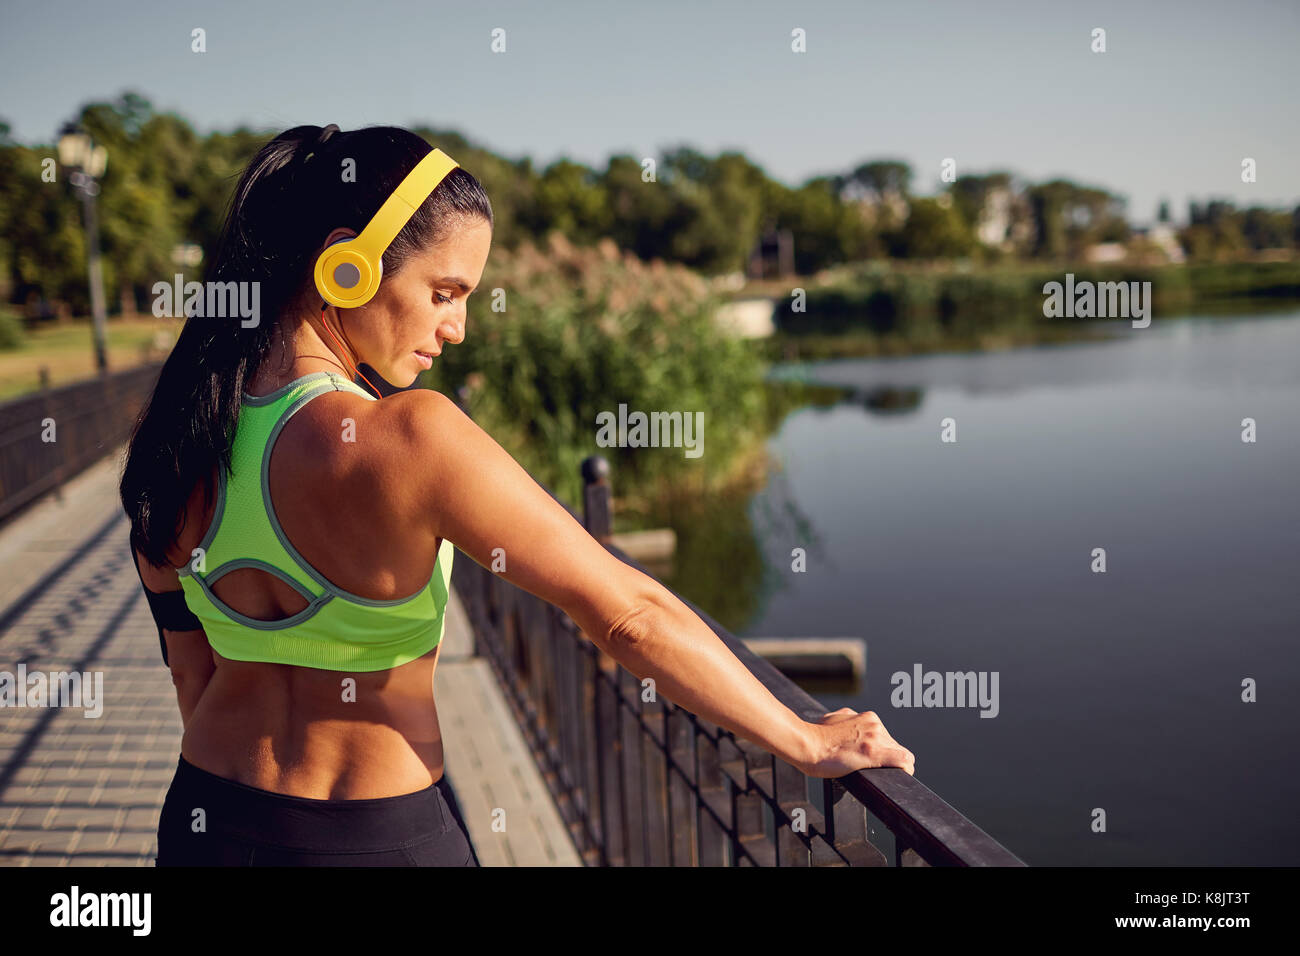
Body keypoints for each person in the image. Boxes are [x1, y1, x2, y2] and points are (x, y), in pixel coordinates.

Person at [119, 123, 914, 867]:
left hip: (211, 816)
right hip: (377, 833)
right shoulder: (412, 437)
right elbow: (629, 613)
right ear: (345, 264)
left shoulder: (178, 430)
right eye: (444, 292)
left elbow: (191, 675)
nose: (458, 327)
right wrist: (804, 739)